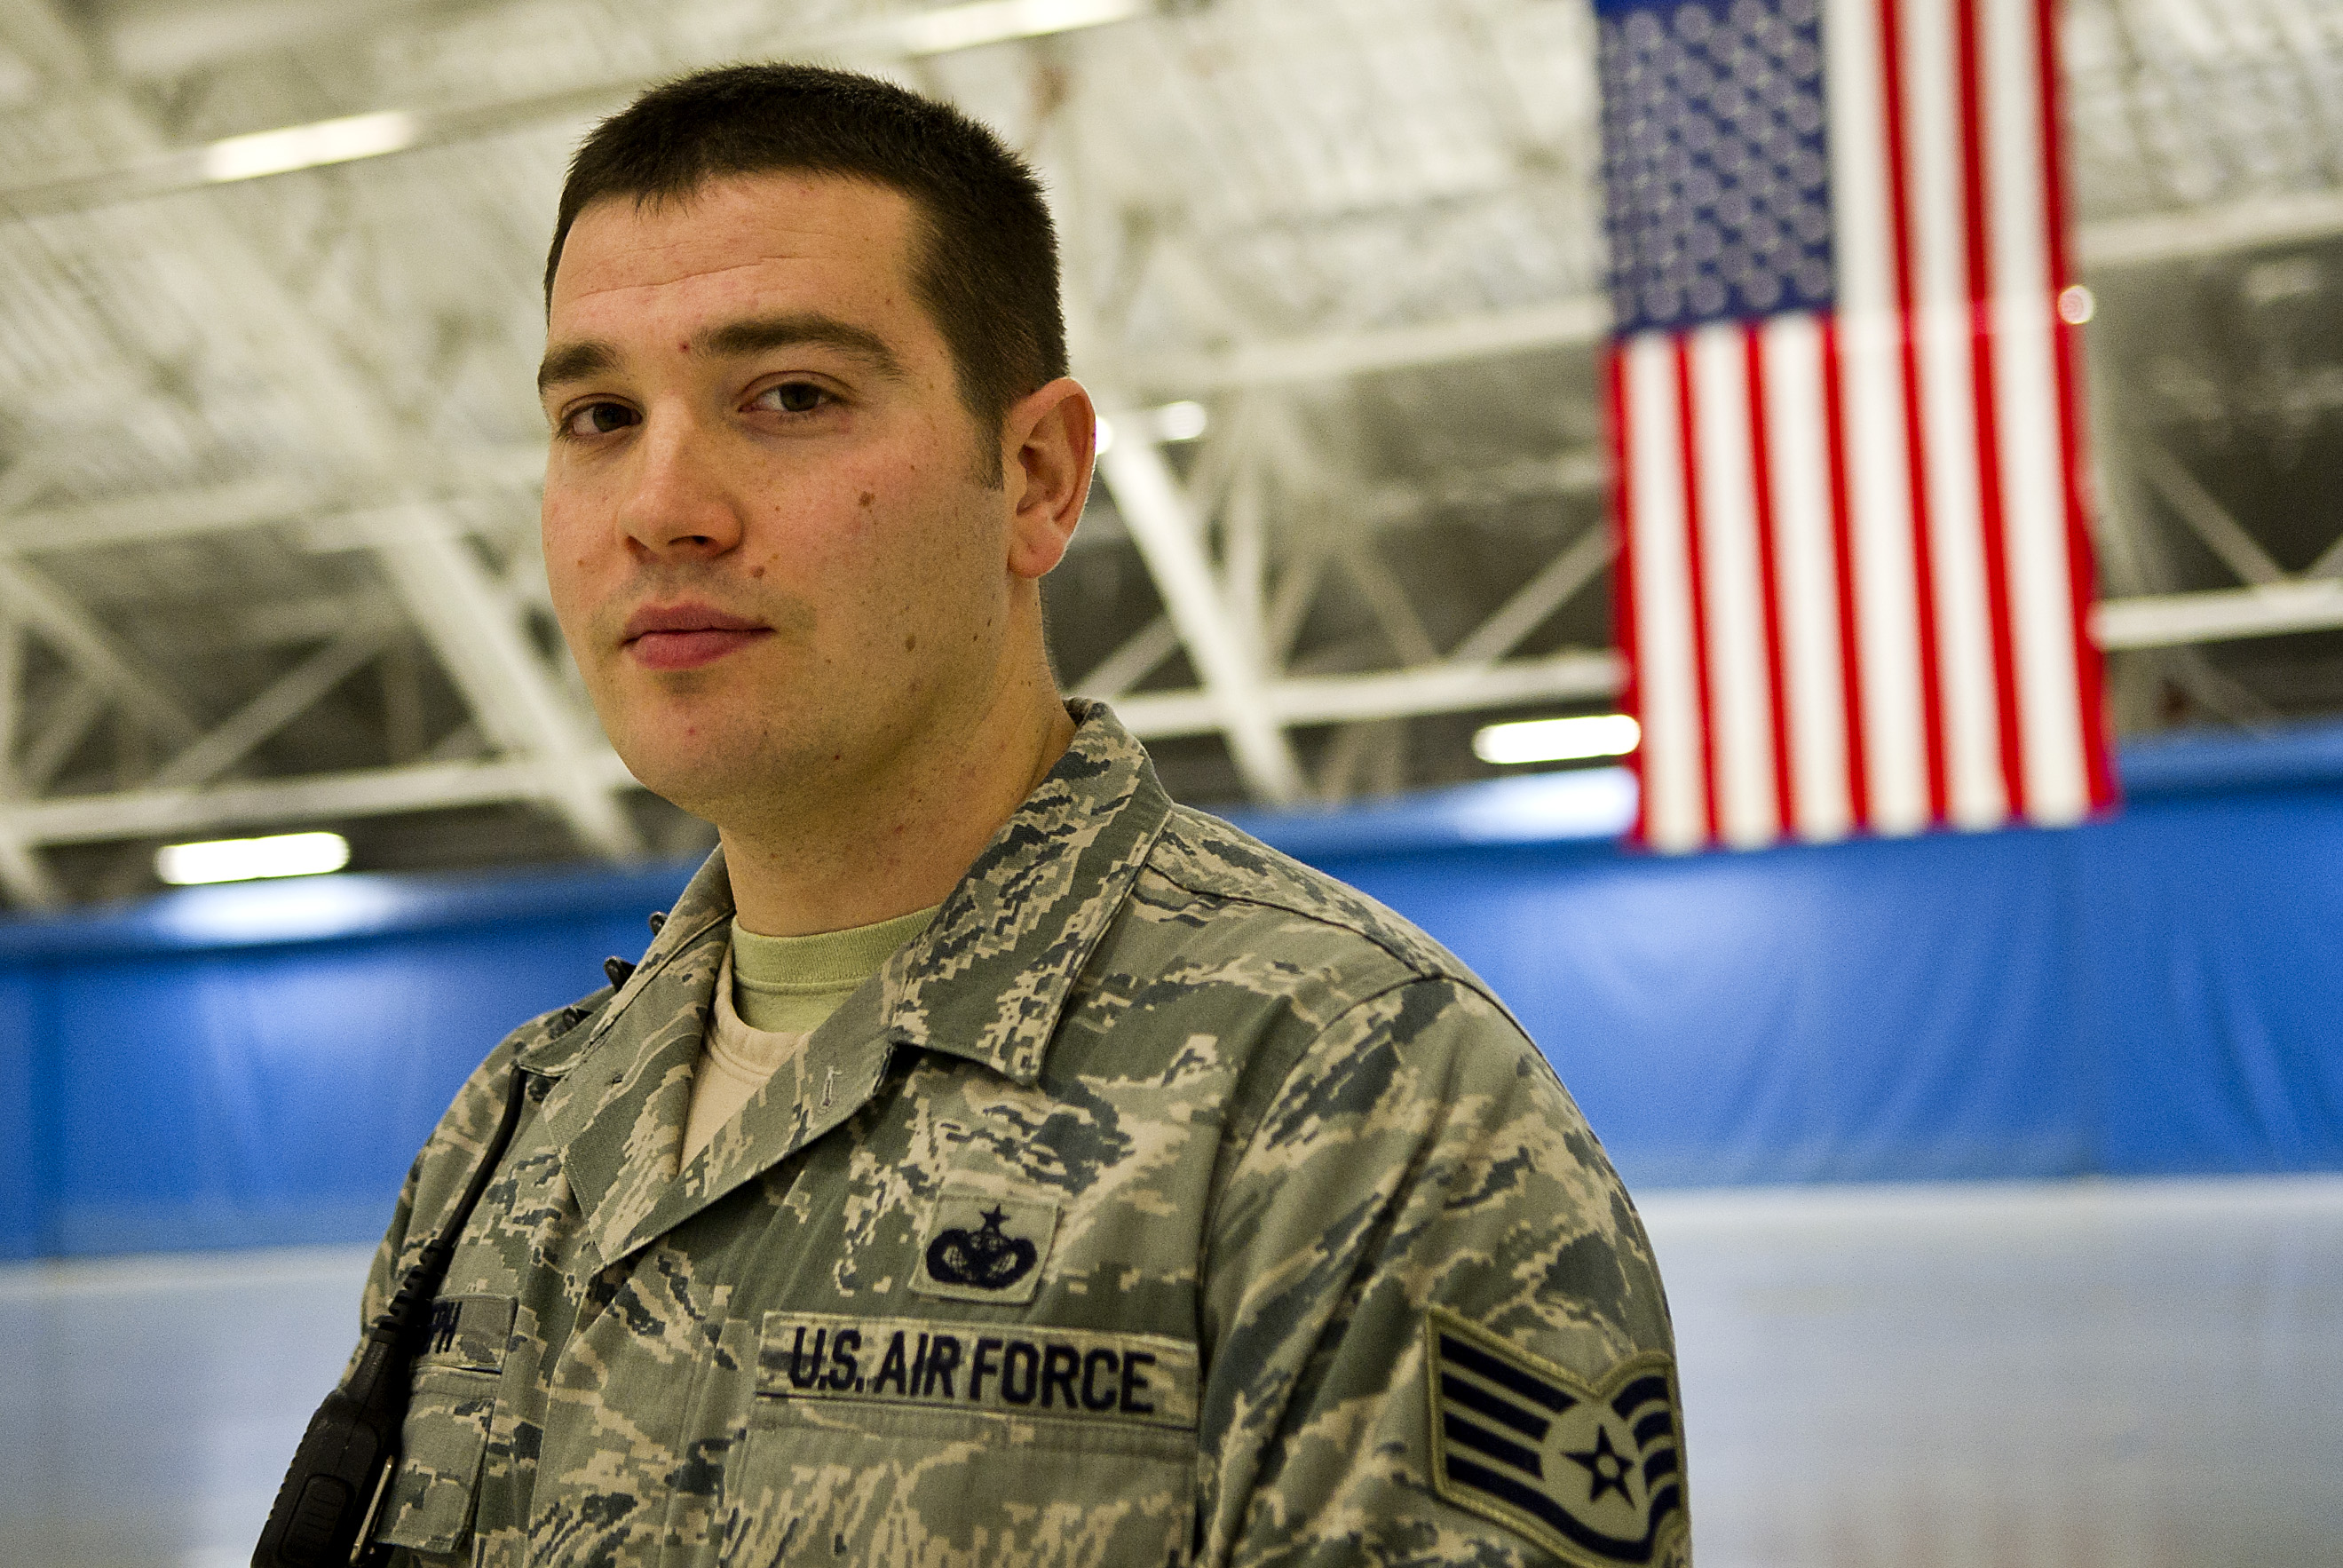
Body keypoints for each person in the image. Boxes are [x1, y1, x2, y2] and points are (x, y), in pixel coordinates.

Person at [349, 62, 1688, 1568]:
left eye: (791, 396)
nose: (663, 504)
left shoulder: (1356, 1108)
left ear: (1036, 477)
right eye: (597, 414)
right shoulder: (511, 1134)